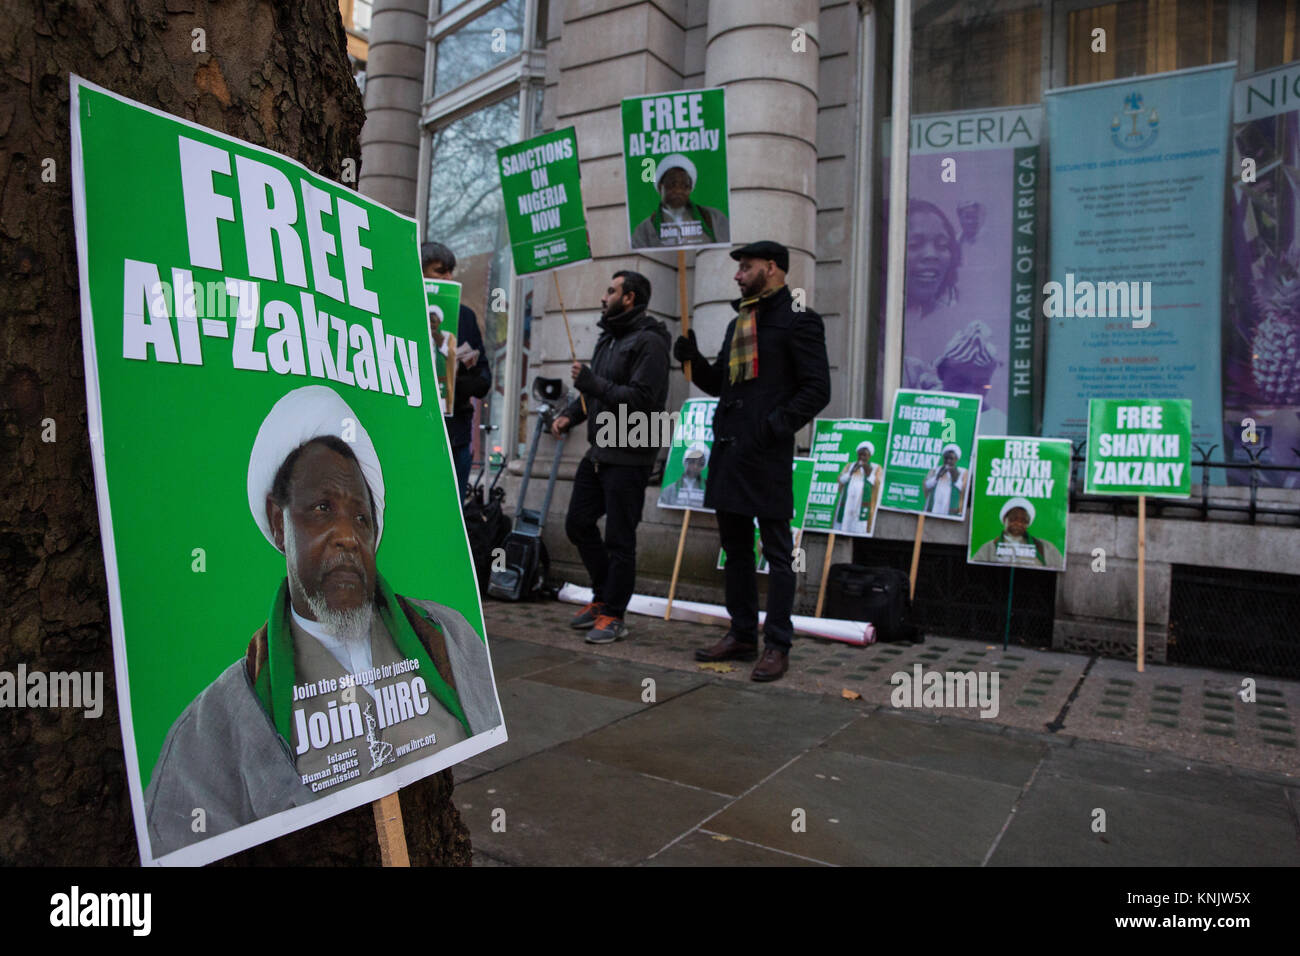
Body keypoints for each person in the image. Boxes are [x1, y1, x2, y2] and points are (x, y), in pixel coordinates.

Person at [144, 385, 502, 857]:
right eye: (322, 509)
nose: (347, 536)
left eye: (361, 517)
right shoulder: (209, 733)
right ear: (278, 521)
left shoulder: (448, 638)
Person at [674, 240, 830, 682]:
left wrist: (773, 427)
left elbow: (817, 389)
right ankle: (743, 634)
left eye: (746, 267)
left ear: (773, 268)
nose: (738, 275)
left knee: (778, 554)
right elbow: (722, 385)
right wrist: (692, 362)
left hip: (766, 456)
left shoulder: (800, 320)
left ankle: (778, 643)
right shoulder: (738, 322)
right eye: (738, 268)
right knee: (736, 551)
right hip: (729, 452)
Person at [552, 271, 671, 644]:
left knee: (621, 539)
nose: (604, 297)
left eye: (611, 290)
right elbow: (596, 394)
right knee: (578, 524)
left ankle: (615, 614)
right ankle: (603, 596)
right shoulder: (607, 339)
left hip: (632, 450)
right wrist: (572, 414)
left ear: (630, 297)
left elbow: (643, 400)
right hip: (600, 448)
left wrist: (591, 383)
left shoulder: (651, 342)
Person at [422, 242, 491, 498]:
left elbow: (484, 379)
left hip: (455, 435)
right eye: (440, 271)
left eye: (451, 271)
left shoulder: (465, 317)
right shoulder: (400, 312)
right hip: (418, 433)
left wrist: (457, 379)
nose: (449, 278)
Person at [630, 153, 730, 249]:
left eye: (684, 186)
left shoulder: (713, 218)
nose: (678, 191)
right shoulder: (644, 230)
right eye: (672, 184)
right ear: (661, 187)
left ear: (690, 189)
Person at [972, 497, 1063, 569]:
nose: (1018, 523)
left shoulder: (1045, 547)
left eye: (1023, 520)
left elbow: (1058, 566)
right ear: (1004, 520)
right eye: (1014, 518)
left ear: (1028, 524)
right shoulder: (989, 548)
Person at [832, 440, 881, 535]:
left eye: (865, 455)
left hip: (861, 505)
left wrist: (868, 473)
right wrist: (851, 472)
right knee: (843, 525)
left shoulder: (875, 468)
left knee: (859, 527)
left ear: (869, 456)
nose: (862, 457)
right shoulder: (850, 465)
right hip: (847, 503)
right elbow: (841, 480)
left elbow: (877, 485)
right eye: (860, 455)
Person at [923, 442, 969, 516]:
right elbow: (926, 486)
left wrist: (955, 478)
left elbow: (964, 491)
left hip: (949, 509)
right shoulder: (935, 470)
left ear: (956, 459)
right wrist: (937, 477)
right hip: (934, 508)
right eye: (946, 458)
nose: (948, 461)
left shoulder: (963, 472)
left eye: (951, 459)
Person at [659, 441, 709, 509]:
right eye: (692, 461)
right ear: (685, 462)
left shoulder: (707, 489)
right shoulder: (669, 490)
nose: (695, 466)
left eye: (700, 464)